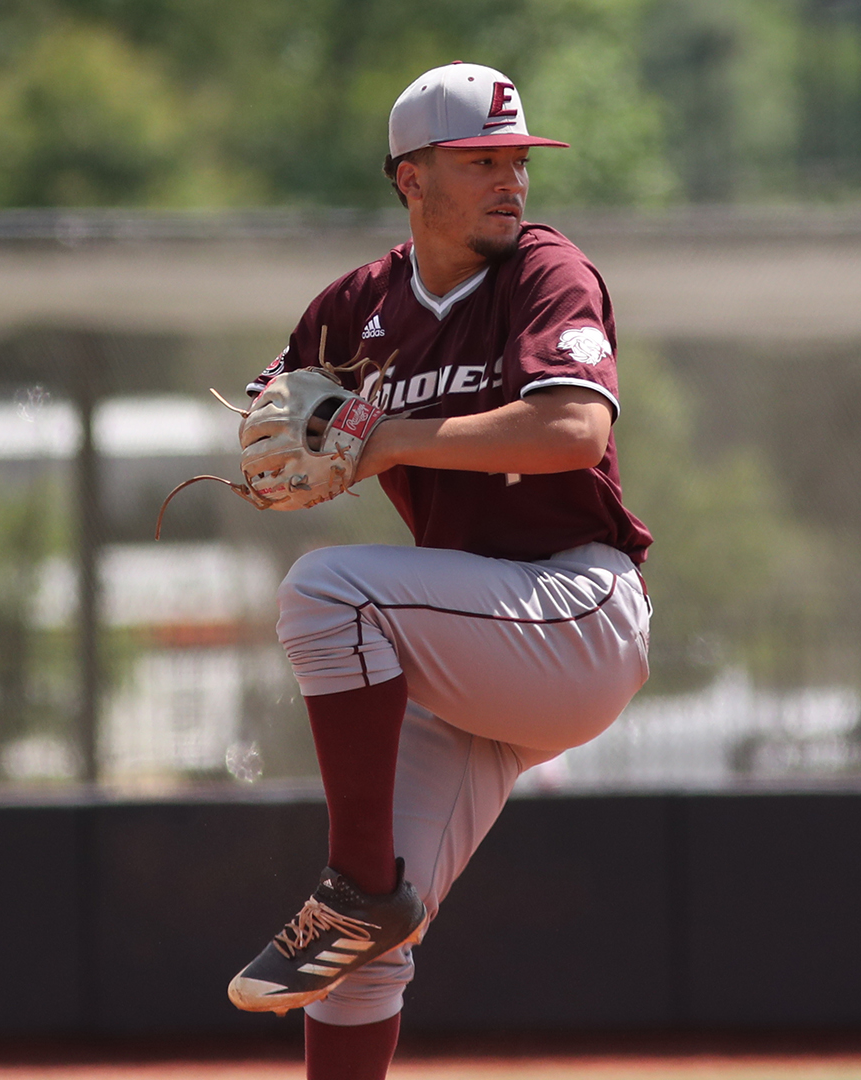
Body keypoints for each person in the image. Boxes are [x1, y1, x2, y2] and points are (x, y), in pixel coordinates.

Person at [228, 61, 654, 1080]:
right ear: (410, 178)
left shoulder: (547, 271)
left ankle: (356, 885)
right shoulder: (360, 309)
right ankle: (365, 903)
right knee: (364, 960)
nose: (512, 178)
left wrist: (386, 438)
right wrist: (274, 440)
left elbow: (571, 425)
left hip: (573, 608)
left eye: (518, 158)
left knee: (329, 591)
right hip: (468, 644)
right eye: (481, 160)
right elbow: (271, 413)